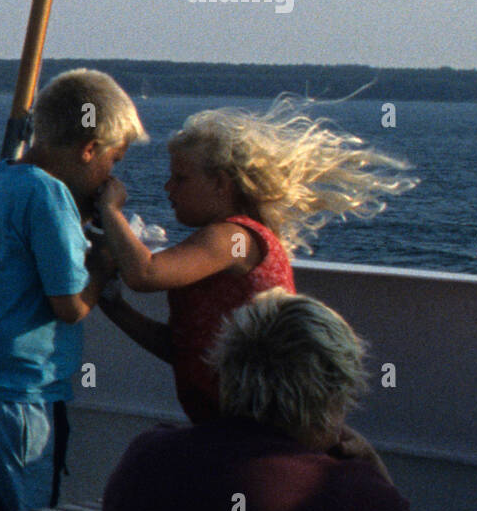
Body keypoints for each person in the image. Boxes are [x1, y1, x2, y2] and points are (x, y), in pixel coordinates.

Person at [88, 289, 450, 511]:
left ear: (225, 372)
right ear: (329, 394)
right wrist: (376, 476)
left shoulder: (147, 456)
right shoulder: (347, 489)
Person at [95, 99, 415, 423]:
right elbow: (185, 348)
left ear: (221, 184)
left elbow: (145, 274)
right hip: (242, 426)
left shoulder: (233, 240)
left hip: (253, 429)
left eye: (181, 178)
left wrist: (110, 210)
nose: (168, 188)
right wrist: (114, 305)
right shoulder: (241, 240)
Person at [0, 68, 145, 511]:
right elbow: (69, 306)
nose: (112, 177)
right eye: (114, 161)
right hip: (16, 397)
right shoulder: (50, 197)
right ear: (89, 150)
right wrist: (105, 262)